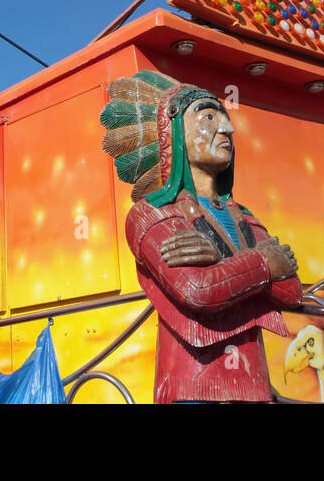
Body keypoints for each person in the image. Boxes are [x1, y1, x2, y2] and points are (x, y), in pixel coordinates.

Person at [100, 69, 302, 403]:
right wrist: (264, 265)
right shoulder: (151, 213)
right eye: (208, 116)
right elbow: (198, 291)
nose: (228, 128)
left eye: (224, 117)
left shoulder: (245, 215)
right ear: (175, 131)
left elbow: (291, 290)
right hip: (191, 385)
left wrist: (225, 266)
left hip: (252, 383)